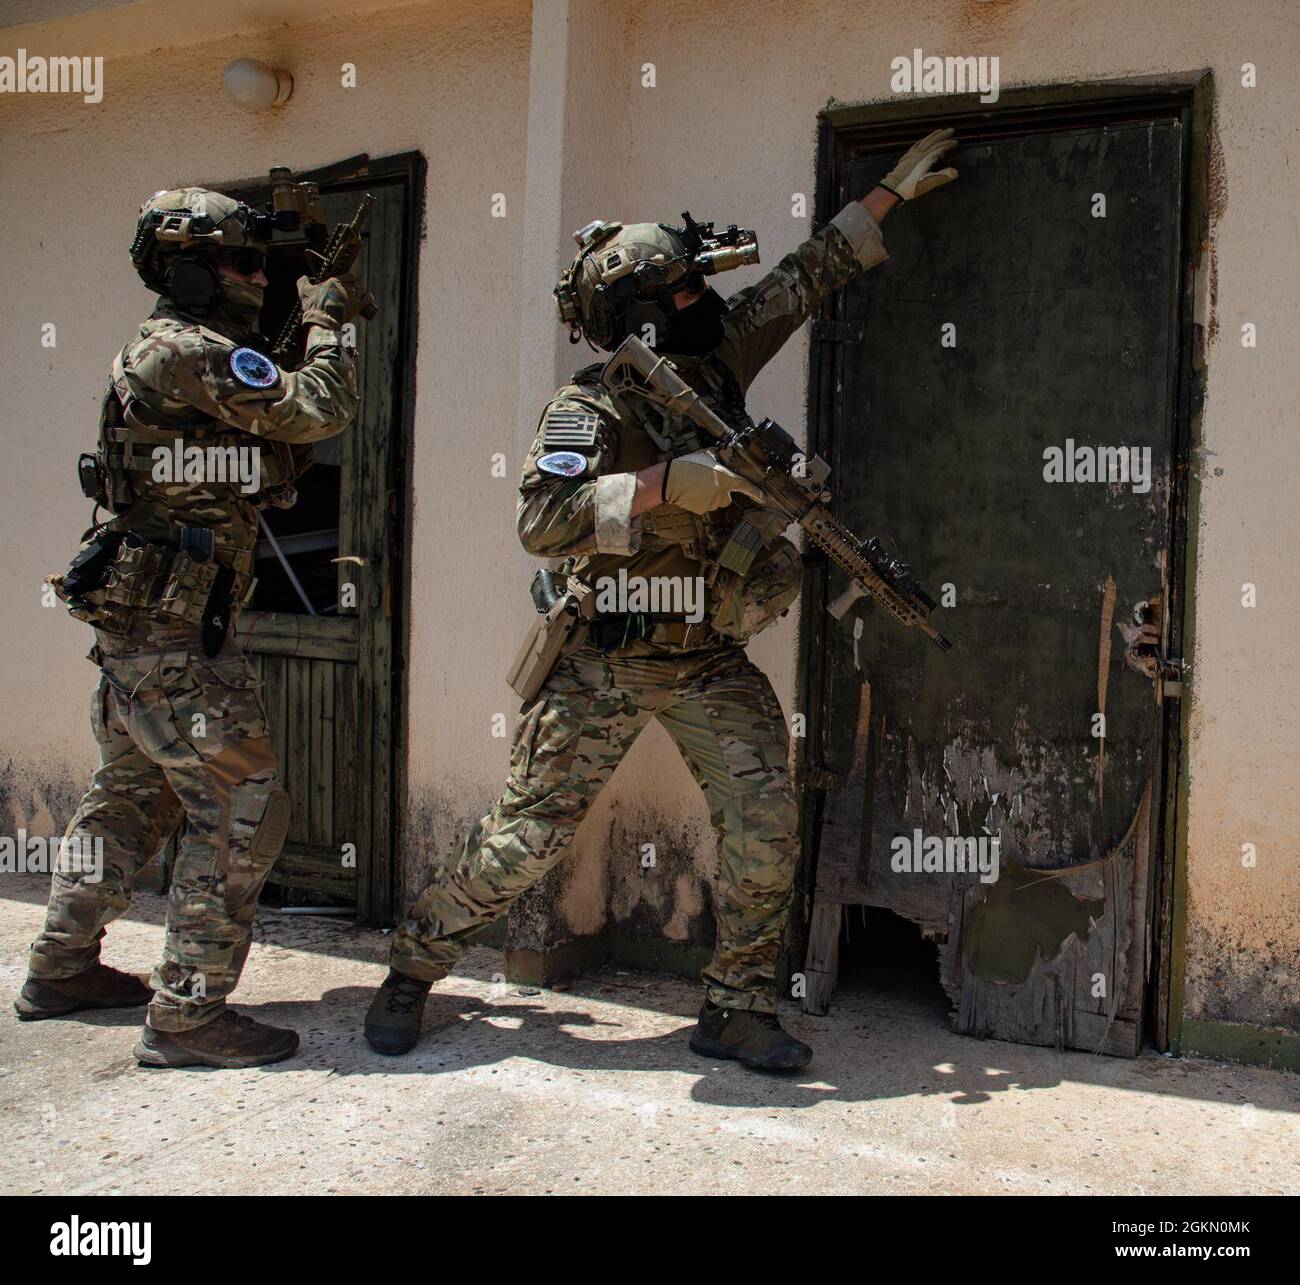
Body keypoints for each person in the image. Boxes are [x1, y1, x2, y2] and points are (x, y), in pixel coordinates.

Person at [364, 130, 959, 1070]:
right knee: (523, 842)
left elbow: (801, 280)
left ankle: (735, 1006)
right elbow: (540, 519)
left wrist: (884, 196)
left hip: (706, 657)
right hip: (603, 657)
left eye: (695, 286)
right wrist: (664, 484)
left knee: (765, 828)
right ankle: (412, 966)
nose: (701, 302)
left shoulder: (715, 361)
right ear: (637, 316)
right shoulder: (589, 409)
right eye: (679, 292)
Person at [17, 183, 372, 1069]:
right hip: (175, 639)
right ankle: (189, 1013)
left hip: (145, 630)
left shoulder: (180, 354)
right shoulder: (185, 350)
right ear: (188, 270)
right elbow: (324, 409)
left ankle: (60, 968)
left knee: (133, 796)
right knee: (242, 808)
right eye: (243, 262)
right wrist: (328, 323)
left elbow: (258, 461)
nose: (259, 275)